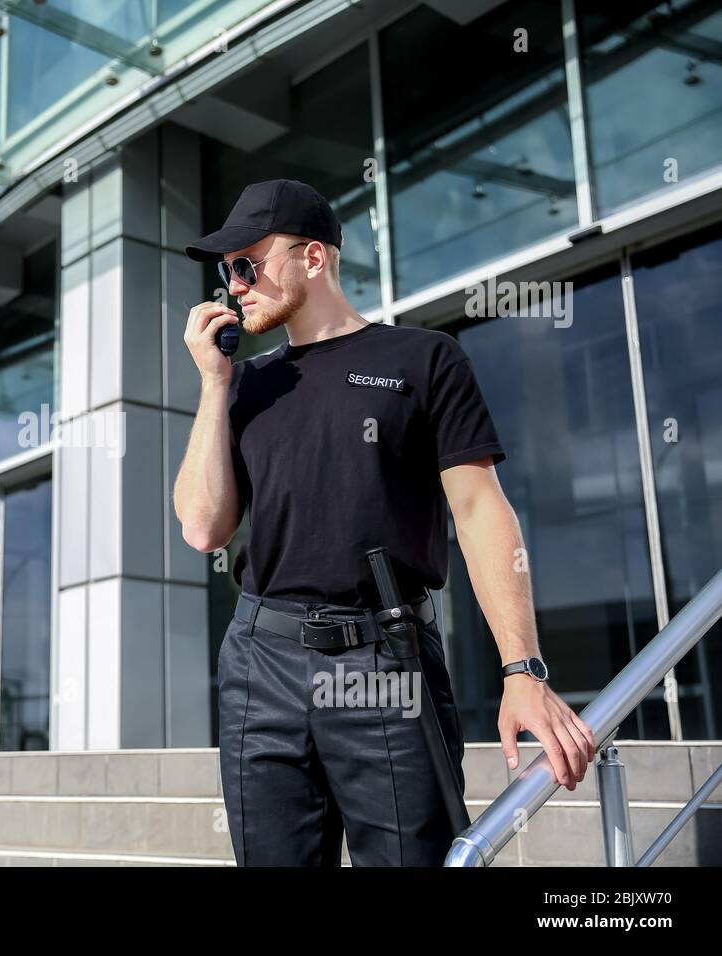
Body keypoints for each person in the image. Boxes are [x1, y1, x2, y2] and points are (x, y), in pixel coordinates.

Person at [173, 179, 596, 866]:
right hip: (261, 661)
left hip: (384, 660)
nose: (235, 286)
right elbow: (201, 528)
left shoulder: (422, 359)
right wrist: (214, 386)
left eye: (247, 265)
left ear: (313, 258)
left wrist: (522, 669)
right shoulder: (245, 387)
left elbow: (479, 509)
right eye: (227, 272)